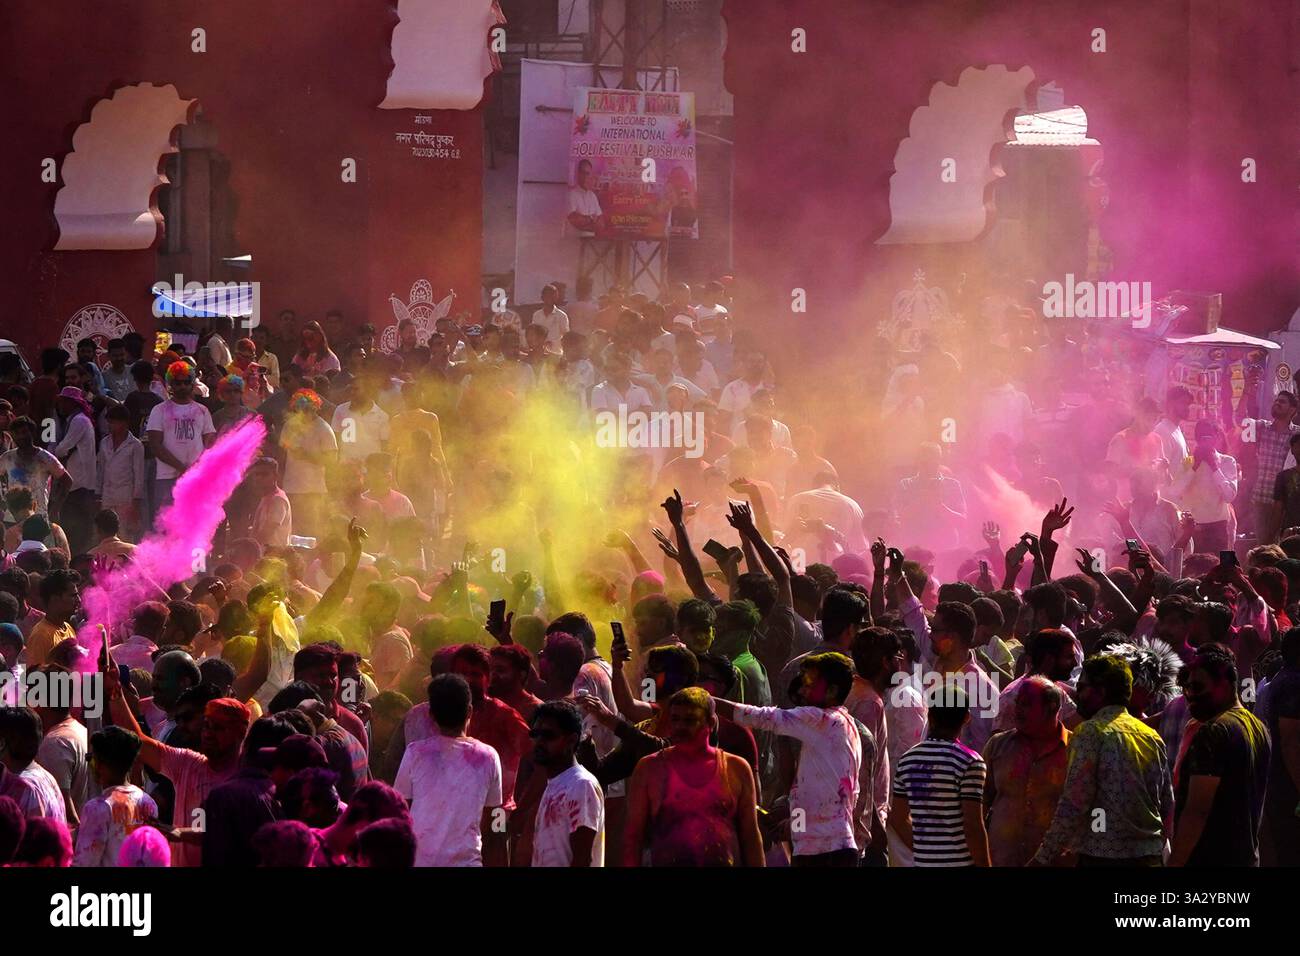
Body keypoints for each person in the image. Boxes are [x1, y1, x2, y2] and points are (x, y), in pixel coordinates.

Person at [713, 652, 863, 866]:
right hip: (831, 848)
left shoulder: (821, 719)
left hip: (824, 854)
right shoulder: (844, 724)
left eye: (810, 685)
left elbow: (762, 717)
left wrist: (706, 700)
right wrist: (795, 824)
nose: (802, 691)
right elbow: (814, 792)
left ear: (832, 691)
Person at [1031, 656, 1173, 866]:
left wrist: (1042, 858)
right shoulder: (1150, 736)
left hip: (1103, 858)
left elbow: (1074, 803)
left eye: (1083, 687)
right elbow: (1167, 804)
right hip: (1149, 856)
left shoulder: (1090, 732)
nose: (1078, 695)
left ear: (1102, 692)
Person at [624, 687, 763, 867]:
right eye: (675, 719)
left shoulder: (735, 768)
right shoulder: (649, 769)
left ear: (711, 723)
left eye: (690, 720)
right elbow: (633, 837)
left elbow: (750, 835)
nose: (680, 727)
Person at [1168, 643, 1270, 866]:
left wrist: (1175, 862)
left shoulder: (1214, 731)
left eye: (1197, 687)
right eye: (1186, 688)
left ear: (1224, 684)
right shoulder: (1257, 726)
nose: (1190, 697)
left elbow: (1197, 811)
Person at [394, 674, 504, 867]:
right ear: (469, 711)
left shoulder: (415, 753)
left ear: (431, 715)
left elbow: (400, 810)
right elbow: (495, 818)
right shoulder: (489, 756)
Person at [890, 690, 990, 867]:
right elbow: (972, 825)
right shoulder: (970, 762)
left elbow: (898, 818)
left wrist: (925, 849)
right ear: (967, 717)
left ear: (931, 715)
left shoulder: (908, 760)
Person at [983, 676, 1072, 866]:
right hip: (999, 860)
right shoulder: (997, 746)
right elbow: (979, 803)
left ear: (1052, 708)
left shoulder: (1076, 750)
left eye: (1026, 704)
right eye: (1017, 703)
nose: (1017, 710)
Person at [528, 700, 604, 867]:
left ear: (571, 740)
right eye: (535, 734)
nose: (539, 741)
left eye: (548, 735)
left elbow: (583, 858)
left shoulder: (581, 785)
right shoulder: (555, 783)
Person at [72, 727, 159, 866]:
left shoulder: (97, 808)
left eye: (90, 759)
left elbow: (85, 863)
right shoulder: (148, 803)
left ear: (99, 764)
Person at [145, 361, 216, 521]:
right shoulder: (159, 410)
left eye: (186, 382)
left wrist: (196, 468)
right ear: (170, 384)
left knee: (193, 525)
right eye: (177, 382)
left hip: (196, 478)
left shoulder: (202, 411)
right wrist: (181, 467)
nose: (182, 386)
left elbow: (210, 444)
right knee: (166, 527)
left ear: (192, 384)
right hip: (167, 478)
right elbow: (155, 445)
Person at [1168, 419, 1237, 554]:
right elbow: (1175, 492)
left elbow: (1229, 496)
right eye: (1201, 437)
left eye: (1208, 436)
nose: (1204, 442)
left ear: (1216, 437)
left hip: (1218, 528)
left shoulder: (1227, 461)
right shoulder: (1187, 462)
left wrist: (1214, 467)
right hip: (1192, 528)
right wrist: (1194, 467)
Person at [1245, 390, 1300, 541]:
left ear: (1293, 410)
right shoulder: (1261, 428)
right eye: (1276, 400)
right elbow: (1242, 421)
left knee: (1286, 545)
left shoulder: (1297, 435)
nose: (1277, 403)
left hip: (1287, 501)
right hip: (1261, 498)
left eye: (1282, 402)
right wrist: (1248, 391)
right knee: (1264, 545)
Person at [51, 385, 98, 553]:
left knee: (75, 528)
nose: (61, 405)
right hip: (80, 483)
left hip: (79, 483)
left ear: (72, 403)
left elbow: (61, 449)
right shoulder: (73, 420)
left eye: (64, 402)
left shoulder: (79, 421)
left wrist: (52, 453)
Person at [0, 416, 71, 519]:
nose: (21, 436)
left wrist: (56, 508)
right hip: (12, 517)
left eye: (24, 432)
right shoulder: (7, 457)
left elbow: (67, 481)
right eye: (17, 433)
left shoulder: (45, 457)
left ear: (32, 433)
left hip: (38, 516)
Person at [96, 404, 145, 541]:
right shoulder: (104, 443)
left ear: (124, 423)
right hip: (107, 496)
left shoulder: (135, 446)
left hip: (126, 499)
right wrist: (98, 495)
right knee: (106, 535)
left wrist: (135, 504)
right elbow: (101, 470)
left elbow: (139, 476)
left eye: (113, 422)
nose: (110, 426)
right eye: (109, 422)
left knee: (125, 536)